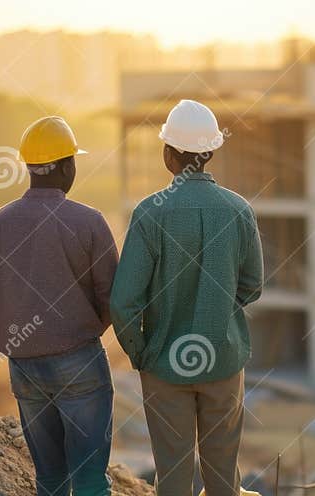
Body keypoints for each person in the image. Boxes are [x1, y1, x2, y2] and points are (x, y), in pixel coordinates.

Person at [110, 99, 263, 496]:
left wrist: (143, 353)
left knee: (173, 477)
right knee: (223, 477)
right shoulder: (238, 210)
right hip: (225, 362)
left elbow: (124, 302)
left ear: (168, 154)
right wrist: (217, 311)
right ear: (210, 152)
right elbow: (253, 285)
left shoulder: (149, 214)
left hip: (164, 366)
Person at [0, 116, 118, 496]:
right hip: (79, 358)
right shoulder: (89, 221)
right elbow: (112, 296)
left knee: (50, 479)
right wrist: (85, 326)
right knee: (90, 479)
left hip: (23, 363)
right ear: (65, 166)